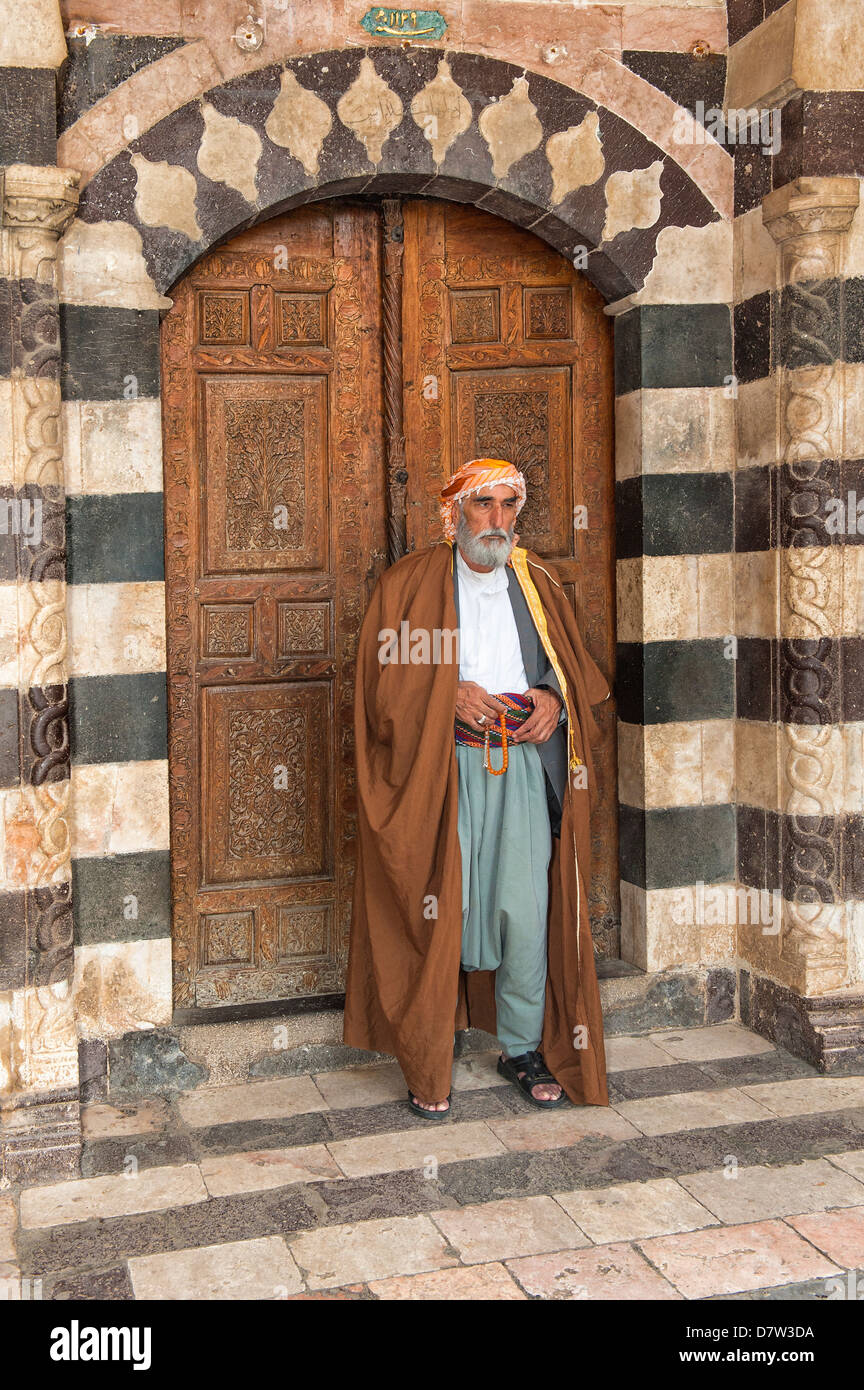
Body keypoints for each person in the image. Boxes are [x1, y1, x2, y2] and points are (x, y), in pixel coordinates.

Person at [344, 458, 610, 1117]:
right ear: (454, 514)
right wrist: (444, 691)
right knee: (438, 911)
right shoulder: (409, 585)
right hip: (440, 772)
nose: (498, 520)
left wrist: (555, 699)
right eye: (484, 505)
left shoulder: (539, 581)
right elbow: (379, 693)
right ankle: (427, 1057)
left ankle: (521, 1048)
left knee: (525, 912)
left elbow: (571, 670)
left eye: (508, 505)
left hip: (521, 765)